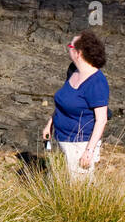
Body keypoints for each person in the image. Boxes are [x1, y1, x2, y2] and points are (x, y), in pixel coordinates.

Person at [42, 30, 109, 180]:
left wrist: (89, 151)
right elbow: (63, 101)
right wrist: (50, 124)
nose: (68, 48)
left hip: (80, 145)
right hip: (61, 138)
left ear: (78, 53)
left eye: (70, 46)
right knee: (57, 181)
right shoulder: (73, 71)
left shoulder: (97, 82)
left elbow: (101, 119)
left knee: (77, 187)